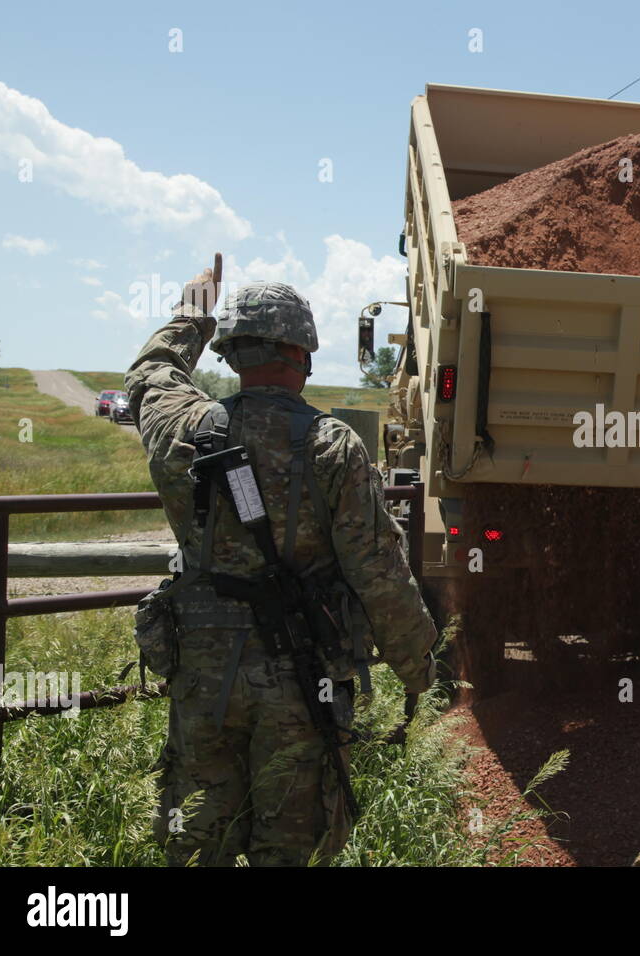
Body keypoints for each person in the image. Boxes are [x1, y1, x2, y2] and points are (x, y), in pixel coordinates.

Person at [125, 256, 437, 866]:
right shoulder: (331, 444)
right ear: (304, 354)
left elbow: (150, 373)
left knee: (196, 840)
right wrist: (419, 666)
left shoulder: (178, 427)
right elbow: (378, 572)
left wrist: (192, 315)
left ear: (232, 353)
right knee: (294, 845)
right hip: (299, 678)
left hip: (201, 674)